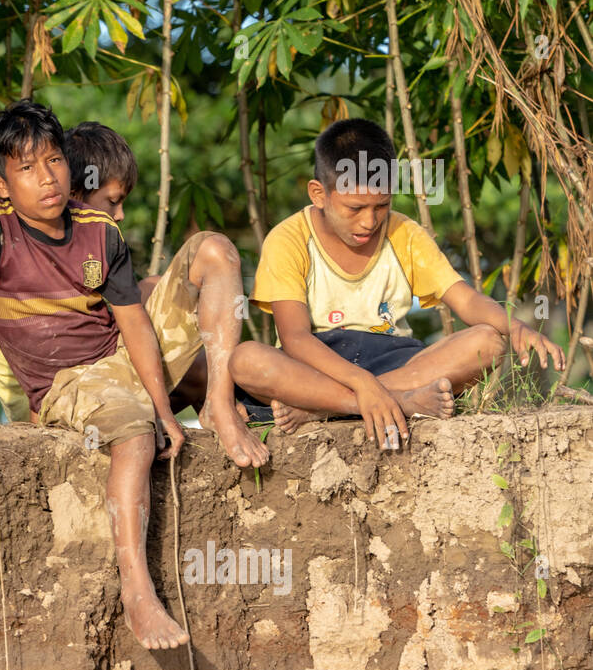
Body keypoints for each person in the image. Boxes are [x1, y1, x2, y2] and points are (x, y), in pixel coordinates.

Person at [0, 100, 216, 651]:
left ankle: (234, 407)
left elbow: (136, 324)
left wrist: (167, 409)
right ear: (1, 184)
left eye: (53, 161)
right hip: (67, 382)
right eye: (26, 169)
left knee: (212, 256)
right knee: (134, 434)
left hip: (119, 360)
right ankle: (137, 591)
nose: (46, 178)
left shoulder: (100, 229)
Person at [229, 117, 564, 448]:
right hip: (316, 366)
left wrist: (514, 325)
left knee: (488, 343)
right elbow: (295, 338)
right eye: (355, 207)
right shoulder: (288, 239)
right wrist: (361, 384)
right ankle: (395, 401)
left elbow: (464, 299)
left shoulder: (405, 234)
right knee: (245, 360)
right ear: (319, 194)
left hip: (395, 359)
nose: (369, 221)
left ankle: (322, 409)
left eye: (382, 206)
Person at [0, 120, 269, 469]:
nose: (119, 215)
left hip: (122, 384)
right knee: (150, 295)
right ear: (74, 196)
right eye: (112, 202)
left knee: (157, 297)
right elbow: (32, 406)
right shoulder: (23, 289)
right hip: (73, 408)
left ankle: (228, 405)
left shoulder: (97, 257)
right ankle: (237, 403)